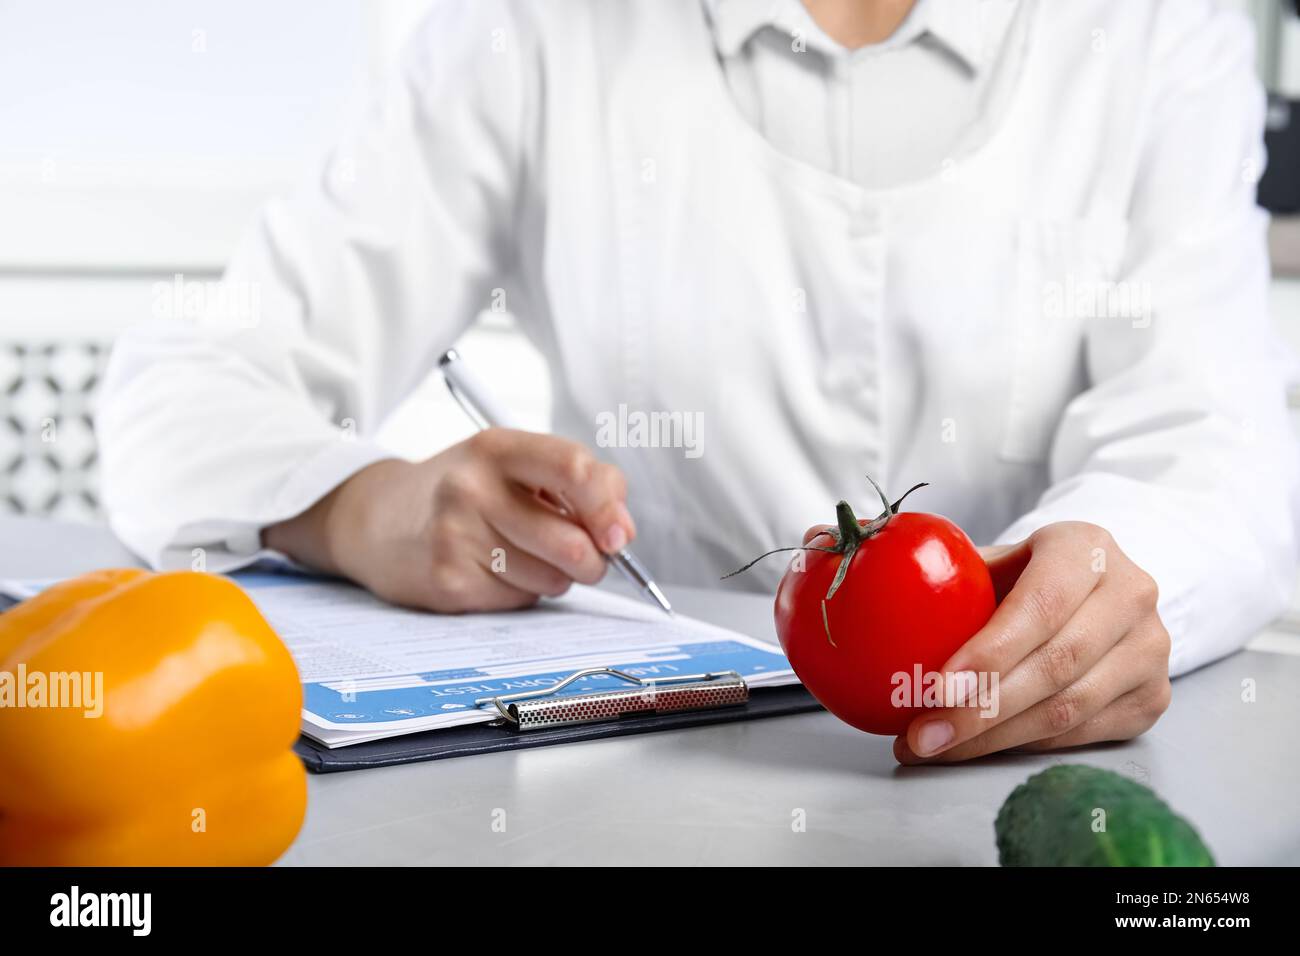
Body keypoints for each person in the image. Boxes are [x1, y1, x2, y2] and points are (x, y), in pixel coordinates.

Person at [96, 0, 1299, 763]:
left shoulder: (1156, 31)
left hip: (1044, 777)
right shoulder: (534, 30)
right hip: (639, 781)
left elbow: (1215, 449)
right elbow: (177, 389)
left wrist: (1115, 578)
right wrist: (367, 505)